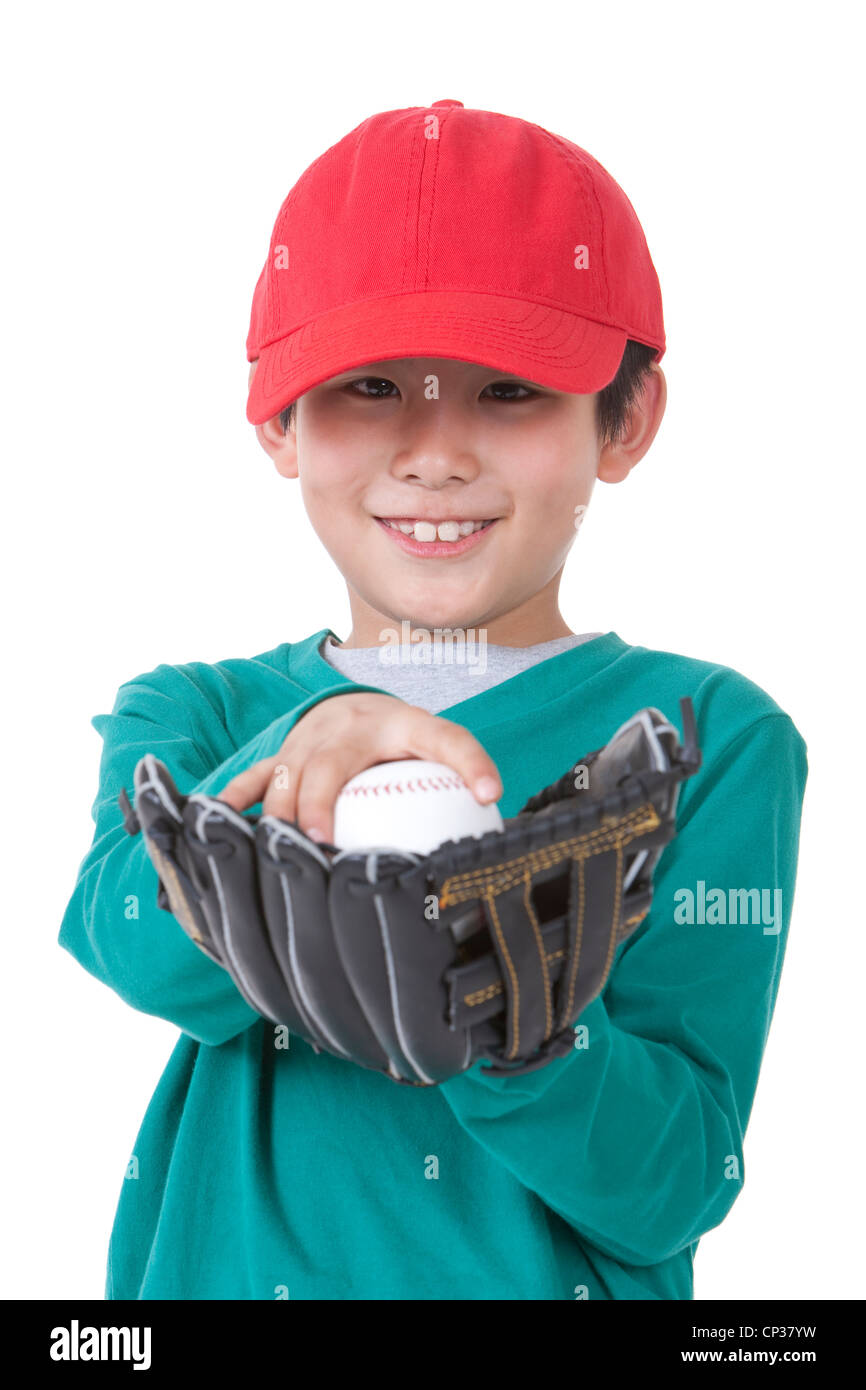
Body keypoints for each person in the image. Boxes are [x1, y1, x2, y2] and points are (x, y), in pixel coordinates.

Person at [59, 99, 808, 1300]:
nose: (435, 451)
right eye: (368, 384)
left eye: (508, 390)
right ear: (274, 420)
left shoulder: (700, 736)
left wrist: (520, 1027)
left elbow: (676, 1179)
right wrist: (299, 773)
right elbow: (125, 943)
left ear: (625, 419)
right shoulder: (195, 709)